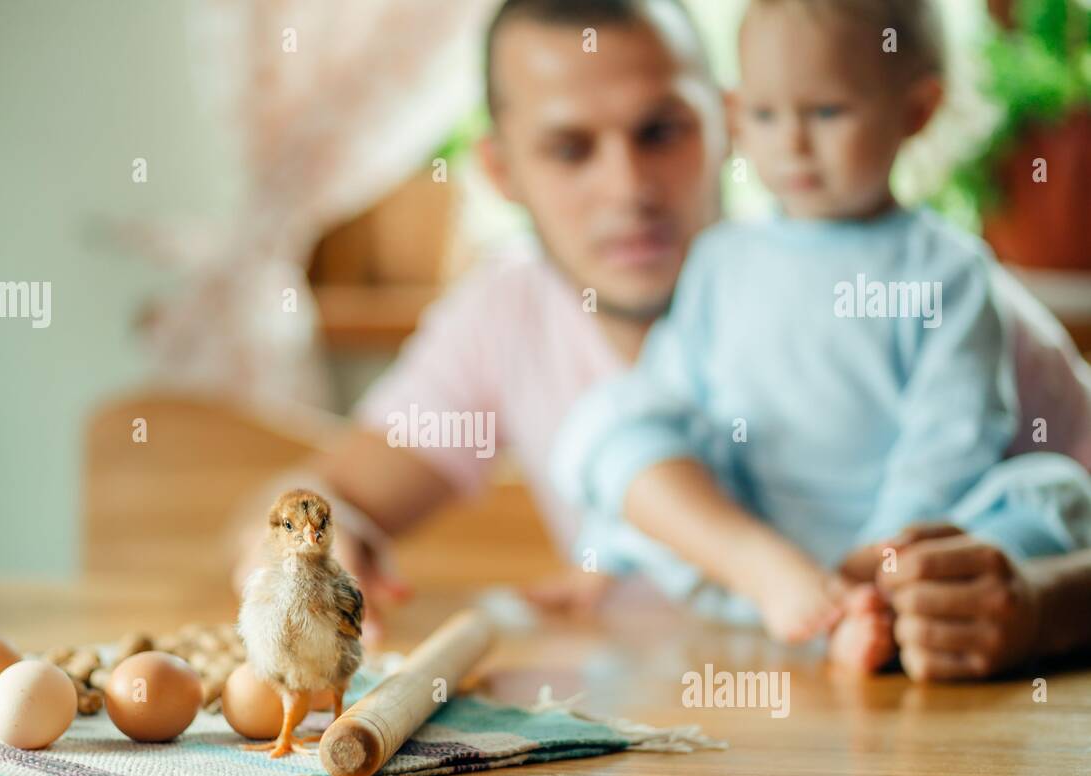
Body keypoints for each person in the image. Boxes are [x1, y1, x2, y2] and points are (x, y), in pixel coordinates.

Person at [231, 0, 1091, 682]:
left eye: (660, 131)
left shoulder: (936, 292)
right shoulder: (505, 314)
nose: (629, 187)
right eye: (571, 148)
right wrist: (307, 551)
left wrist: (1045, 605)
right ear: (503, 172)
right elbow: (314, 493)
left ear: (723, 124)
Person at [548, 0, 1091, 673]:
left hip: (904, 553)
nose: (792, 143)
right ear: (736, 113)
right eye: (766, 115)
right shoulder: (721, 258)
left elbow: (955, 432)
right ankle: (796, 589)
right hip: (756, 555)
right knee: (605, 419)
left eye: (827, 112)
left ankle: (868, 616)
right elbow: (665, 413)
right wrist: (604, 555)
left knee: (1054, 493)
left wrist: (885, 553)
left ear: (917, 112)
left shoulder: (948, 268)